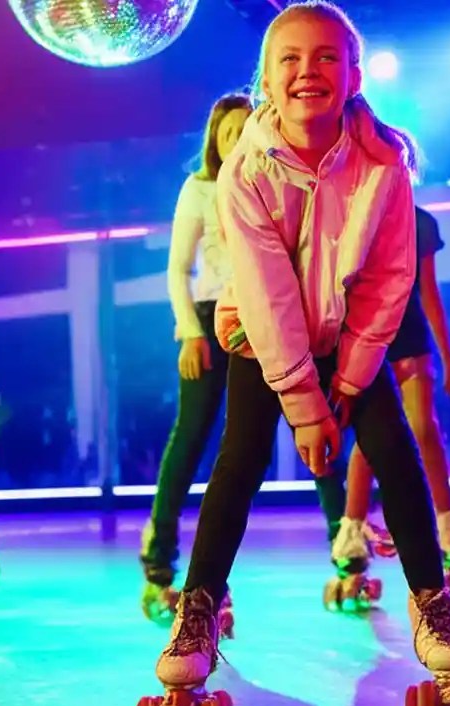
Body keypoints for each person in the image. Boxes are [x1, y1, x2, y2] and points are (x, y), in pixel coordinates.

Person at [143, 3, 450, 706]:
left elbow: (390, 279)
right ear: (266, 81)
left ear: (354, 76)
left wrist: (352, 381)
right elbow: (266, 292)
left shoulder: (384, 165)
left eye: (327, 56)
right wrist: (306, 407)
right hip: (260, 333)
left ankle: (432, 602)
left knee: (394, 448)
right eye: (290, 60)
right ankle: (196, 611)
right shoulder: (245, 170)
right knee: (240, 458)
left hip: (349, 332)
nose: (309, 71)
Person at [140, 92, 351, 625]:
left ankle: (345, 545)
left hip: (277, 315)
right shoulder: (200, 188)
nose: (237, 139)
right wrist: (190, 332)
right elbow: (178, 268)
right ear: (214, 140)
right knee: (193, 435)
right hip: (215, 319)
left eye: (245, 128)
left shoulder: (278, 176)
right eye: (227, 132)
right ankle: (160, 558)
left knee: (312, 422)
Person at [331, 205, 450, 606]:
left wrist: (449, 359)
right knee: (371, 436)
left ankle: (449, 532)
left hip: (408, 334)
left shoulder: (420, 222)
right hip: (365, 334)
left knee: (424, 428)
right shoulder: (350, 213)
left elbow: (429, 292)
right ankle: (351, 536)